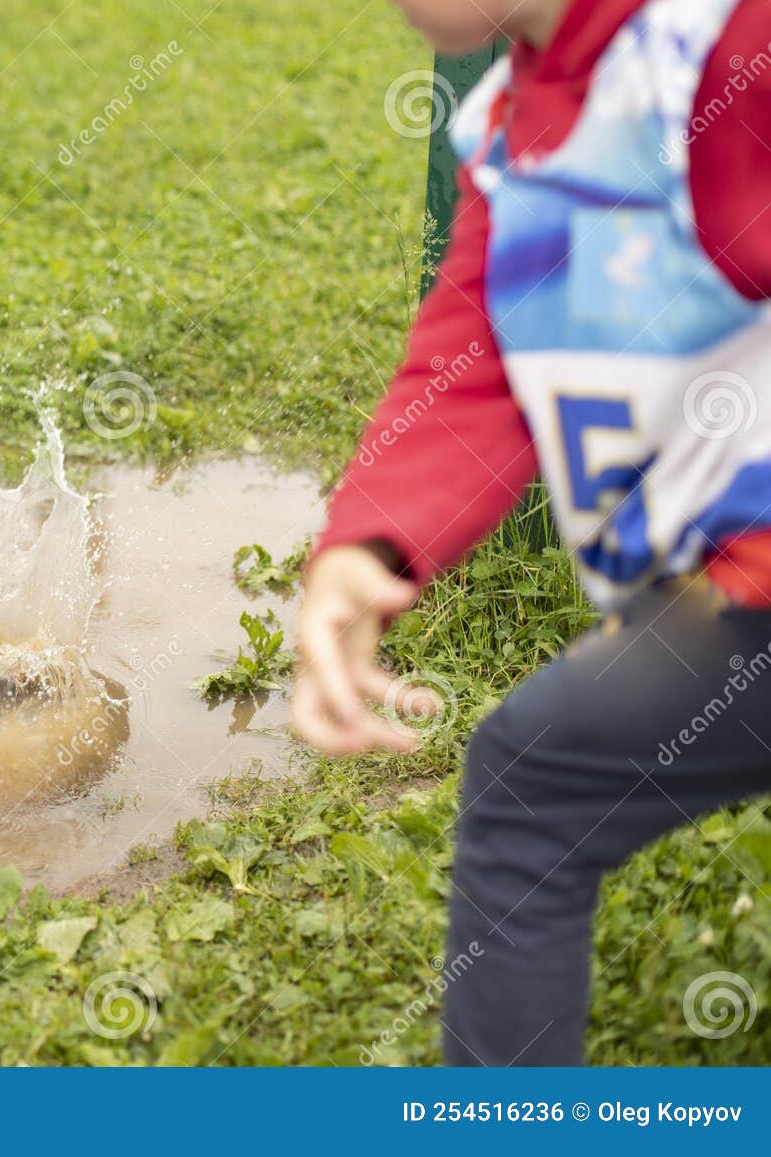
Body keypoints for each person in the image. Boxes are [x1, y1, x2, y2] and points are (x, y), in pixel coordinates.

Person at [296, 0, 771, 1064]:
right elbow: (476, 358)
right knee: (537, 775)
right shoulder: (517, 126)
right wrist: (366, 545)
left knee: (535, 780)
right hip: (730, 602)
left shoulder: (729, 44)